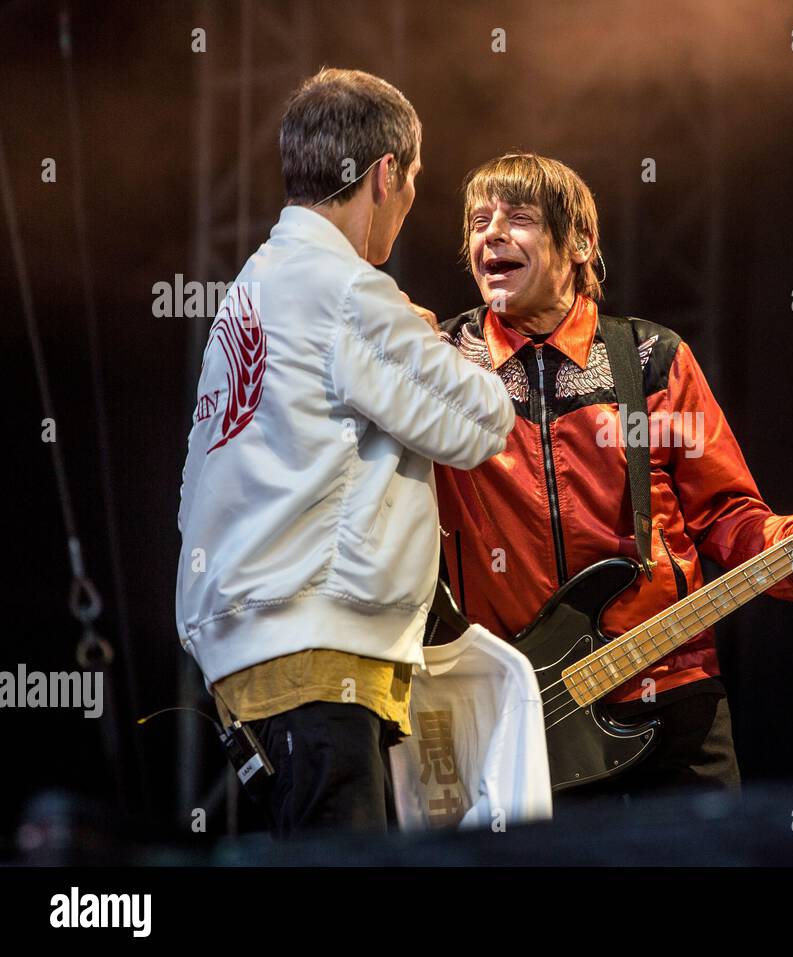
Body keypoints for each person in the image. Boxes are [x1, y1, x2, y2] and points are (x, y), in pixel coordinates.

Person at [433, 152, 793, 801]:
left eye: (517, 218)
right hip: (519, 710)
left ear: (579, 243)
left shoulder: (650, 357)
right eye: (478, 221)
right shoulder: (438, 365)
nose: (491, 233)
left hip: (671, 690)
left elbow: (726, 513)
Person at [175, 69, 515, 836]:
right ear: (386, 172)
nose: (412, 198)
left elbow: (197, 475)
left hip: (249, 654)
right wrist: (456, 350)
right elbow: (480, 423)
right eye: (416, 178)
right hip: (315, 653)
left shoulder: (252, 288)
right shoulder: (344, 290)